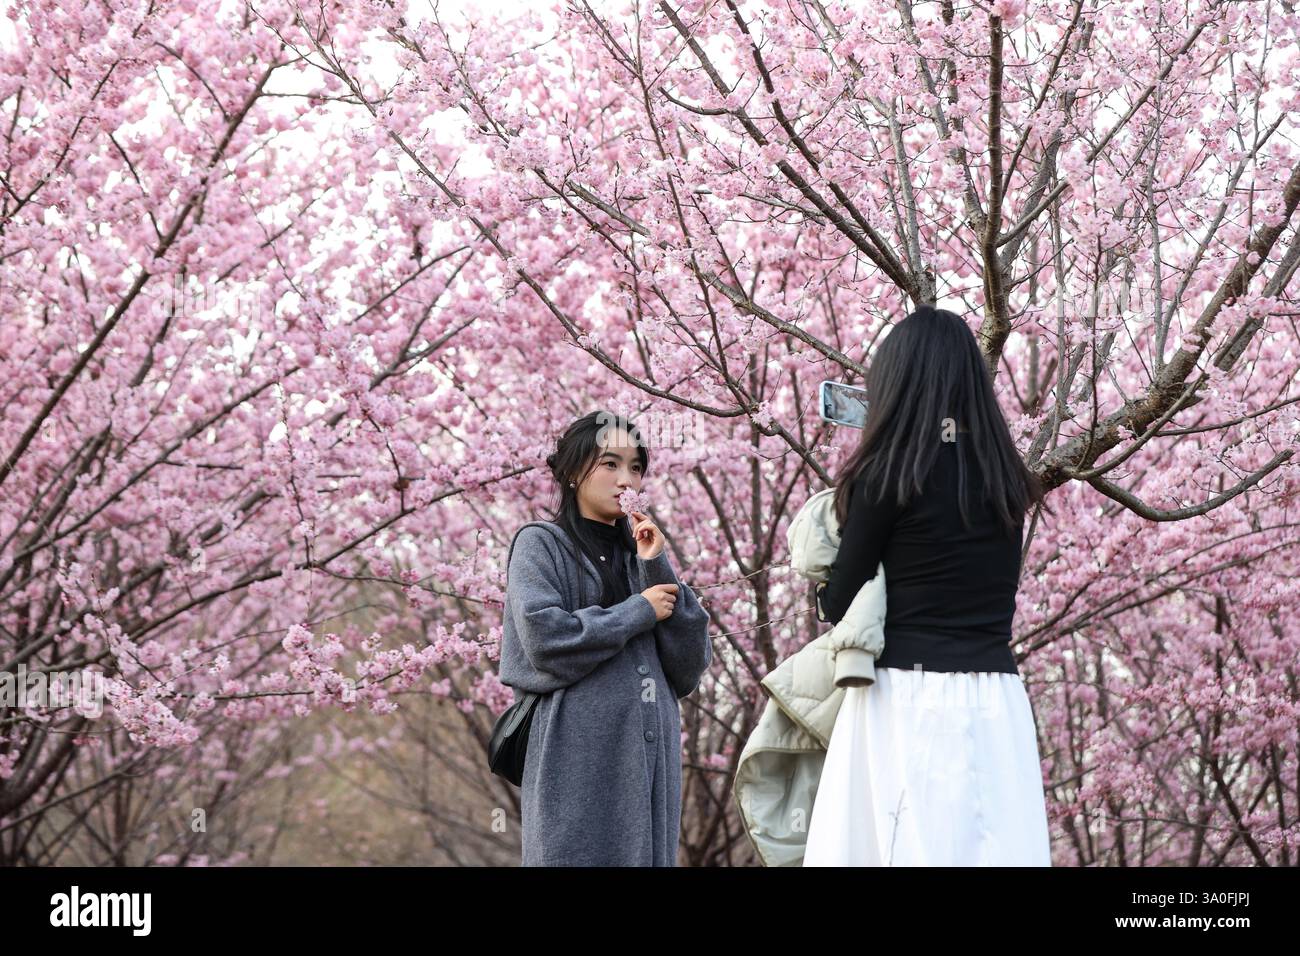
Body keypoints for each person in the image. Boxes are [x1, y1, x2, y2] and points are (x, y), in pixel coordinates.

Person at [803, 304, 1054, 866]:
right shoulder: (1006, 479)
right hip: (996, 696)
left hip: (904, 694)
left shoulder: (886, 475)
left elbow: (839, 599)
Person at [498, 410, 712, 866]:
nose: (626, 479)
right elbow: (545, 640)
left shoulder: (641, 551)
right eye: (610, 464)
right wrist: (638, 610)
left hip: (649, 754)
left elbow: (688, 666)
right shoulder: (540, 543)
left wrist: (655, 563)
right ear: (575, 471)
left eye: (635, 467)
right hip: (576, 748)